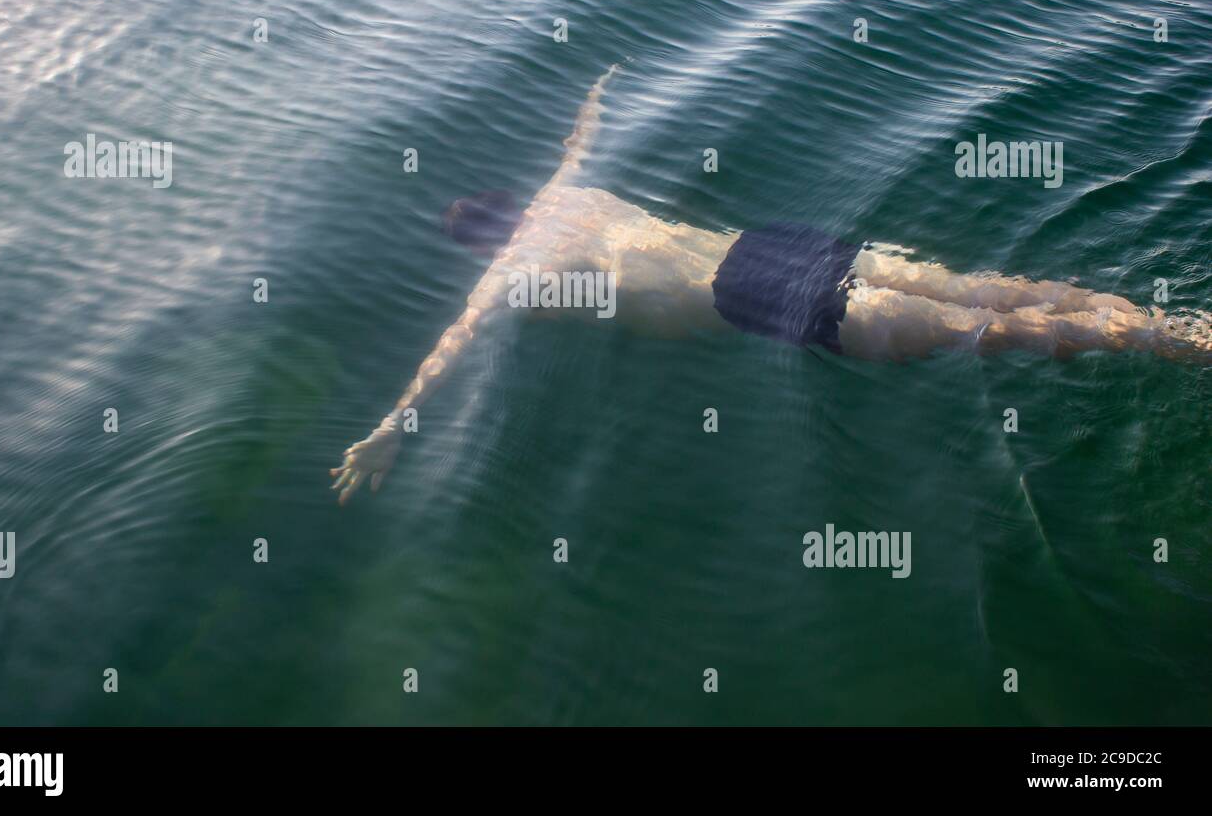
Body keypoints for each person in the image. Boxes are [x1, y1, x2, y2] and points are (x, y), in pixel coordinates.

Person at [331, 65, 1210, 503]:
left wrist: (385, 432)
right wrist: (596, 91)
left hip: (760, 302)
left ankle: (1177, 345)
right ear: (516, 200)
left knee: (986, 333)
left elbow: (449, 352)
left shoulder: (515, 274)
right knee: (991, 290)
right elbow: (580, 141)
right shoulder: (569, 192)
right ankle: (1179, 321)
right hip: (777, 245)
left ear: (485, 251)